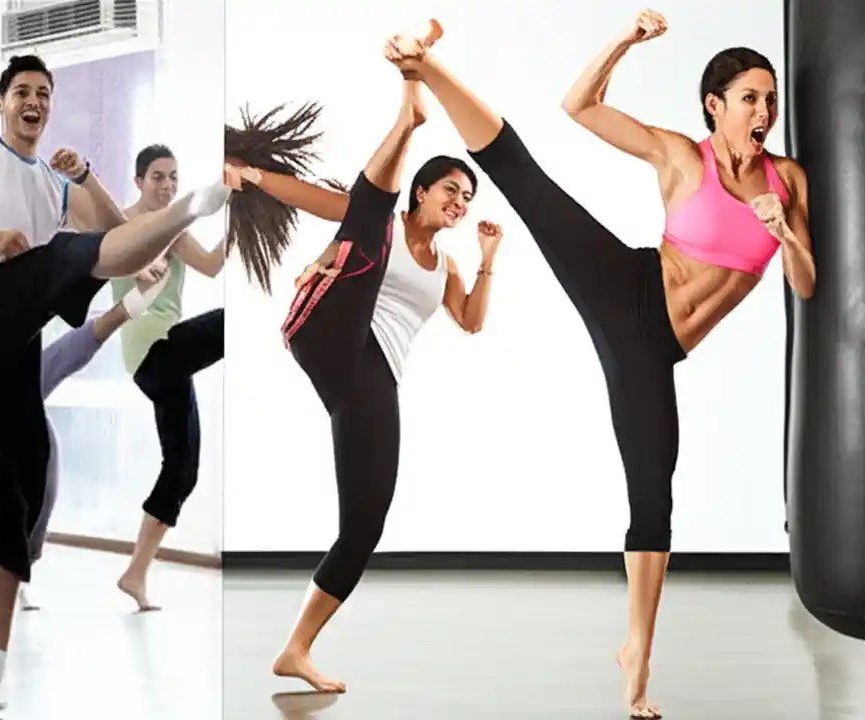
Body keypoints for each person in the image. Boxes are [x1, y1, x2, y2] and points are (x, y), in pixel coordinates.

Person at [383, 12, 816, 717]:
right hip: (627, 290)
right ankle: (424, 66)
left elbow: (805, 282)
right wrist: (627, 42)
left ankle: (635, 651)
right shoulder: (682, 156)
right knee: (527, 182)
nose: (765, 111)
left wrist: (781, 232)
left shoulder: (787, 181)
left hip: (656, 353)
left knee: (654, 496)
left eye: (771, 99)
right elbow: (578, 106)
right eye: (750, 97)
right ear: (716, 105)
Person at [0, 53, 229, 710]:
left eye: (44, 94)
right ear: (3, 102)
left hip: (17, 328)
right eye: (22, 92)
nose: (34, 102)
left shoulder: (55, 184)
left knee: (25, 460)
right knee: (61, 256)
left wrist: (89, 179)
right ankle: (191, 210)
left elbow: (120, 237)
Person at [224, 25, 501, 692]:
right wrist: (251, 175)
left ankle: (297, 647)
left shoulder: (448, 264)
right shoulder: (381, 221)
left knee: (366, 521)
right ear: (422, 192)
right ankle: (408, 112)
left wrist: (489, 262)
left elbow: (470, 322)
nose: (458, 204)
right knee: (365, 227)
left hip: (368, 375)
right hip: (330, 332)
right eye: (449, 192)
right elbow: (315, 200)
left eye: (465, 200)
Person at [0, 272, 169, 611]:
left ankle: (16, 565)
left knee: (44, 460)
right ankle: (8, 562)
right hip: (0, 387)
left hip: (12, 390)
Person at [109, 144, 225, 611]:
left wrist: (244, 216)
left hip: (166, 358)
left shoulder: (171, 225)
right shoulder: (122, 222)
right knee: (236, 324)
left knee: (182, 469)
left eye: (174, 178)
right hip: (153, 347)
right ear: (138, 181)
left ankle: (135, 574)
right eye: (158, 177)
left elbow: (213, 265)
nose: (168, 186)